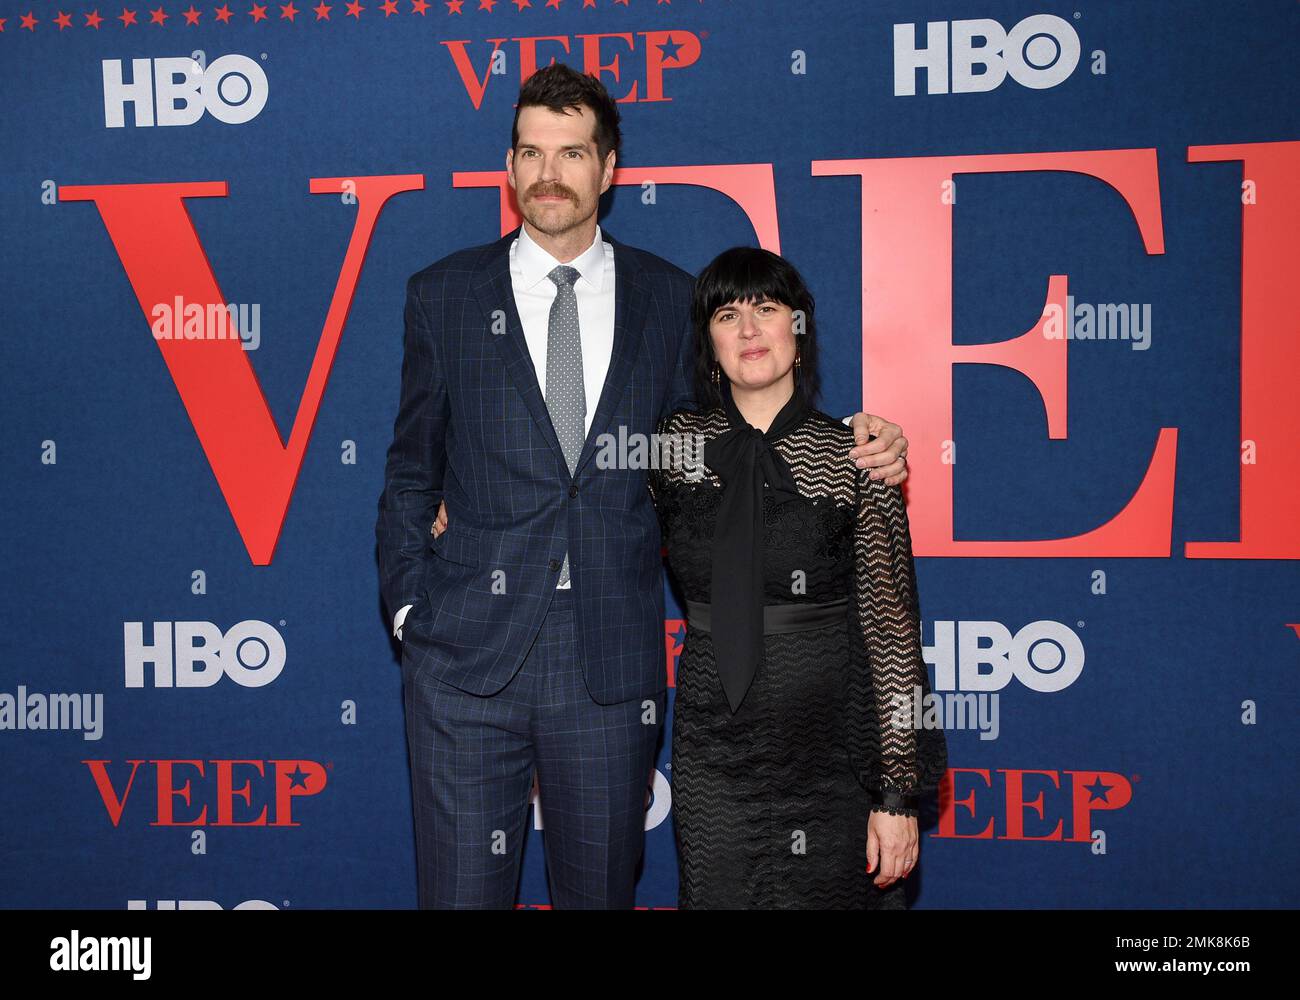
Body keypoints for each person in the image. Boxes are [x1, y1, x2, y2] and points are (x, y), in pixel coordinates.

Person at [375, 64, 909, 909]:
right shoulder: (441, 295)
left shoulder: (670, 298)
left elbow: (735, 436)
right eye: (531, 152)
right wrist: (410, 608)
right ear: (509, 167)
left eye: (573, 152)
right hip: (464, 657)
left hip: (609, 661)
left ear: (609, 168)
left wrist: (855, 438)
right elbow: (411, 469)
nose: (549, 172)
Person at [646, 246, 948, 909]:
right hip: (713, 747)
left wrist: (895, 793)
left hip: (833, 750)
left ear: (800, 331)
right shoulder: (670, 449)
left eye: (767, 308)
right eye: (728, 314)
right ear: (709, 345)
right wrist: (457, 506)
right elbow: (581, 510)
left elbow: (894, 636)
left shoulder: (856, 457)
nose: (750, 329)